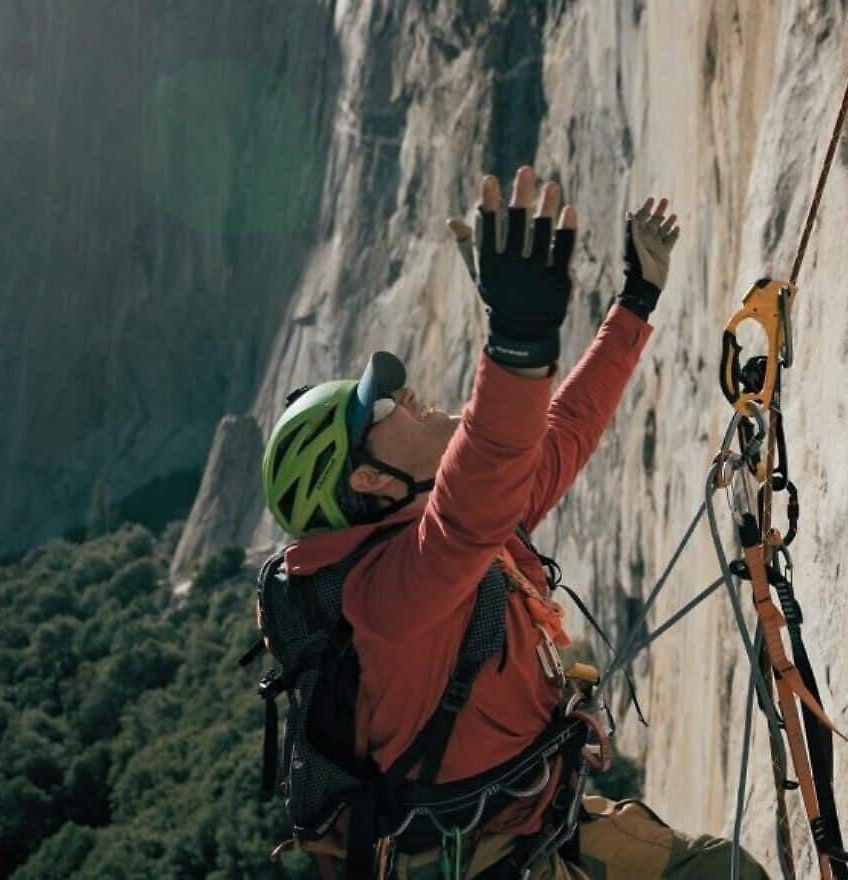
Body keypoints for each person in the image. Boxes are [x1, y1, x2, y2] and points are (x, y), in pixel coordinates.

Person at [262, 165, 770, 879]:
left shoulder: (459, 533)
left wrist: (636, 300)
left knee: (723, 870)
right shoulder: (388, 598)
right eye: (381, 408)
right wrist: (518, 342)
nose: (408, 395)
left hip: (534, 821)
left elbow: (559, 434)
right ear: (370, 480)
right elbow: (475, 499)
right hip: (484, 860)